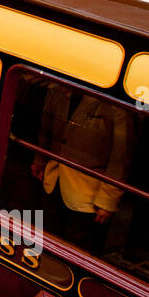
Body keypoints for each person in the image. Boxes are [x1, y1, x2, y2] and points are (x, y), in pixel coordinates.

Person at [31, 85, 133, 253]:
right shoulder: (57, 91)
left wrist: (107, 201)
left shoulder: (117, 108)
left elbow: (120, 158)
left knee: (75, 250)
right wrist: (40, 161)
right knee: (46, 240)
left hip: (87, 195)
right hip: (52, 179)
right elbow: (45, 128)